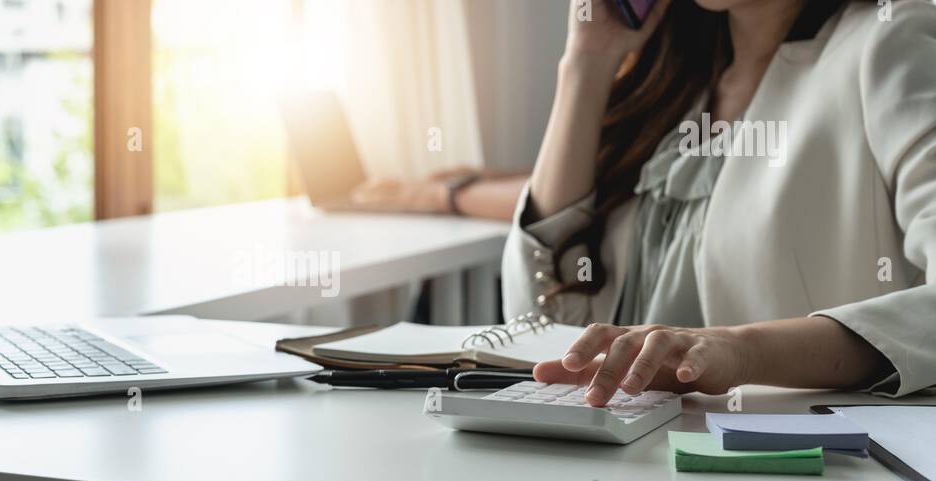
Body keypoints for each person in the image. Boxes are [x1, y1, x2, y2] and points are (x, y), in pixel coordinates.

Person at [356, 0, 936, 407]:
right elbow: (546, 322)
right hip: (623, 459)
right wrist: (585, 63)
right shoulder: (672, 88)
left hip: (797, 480)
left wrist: (740, 351)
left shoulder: (890, 41)